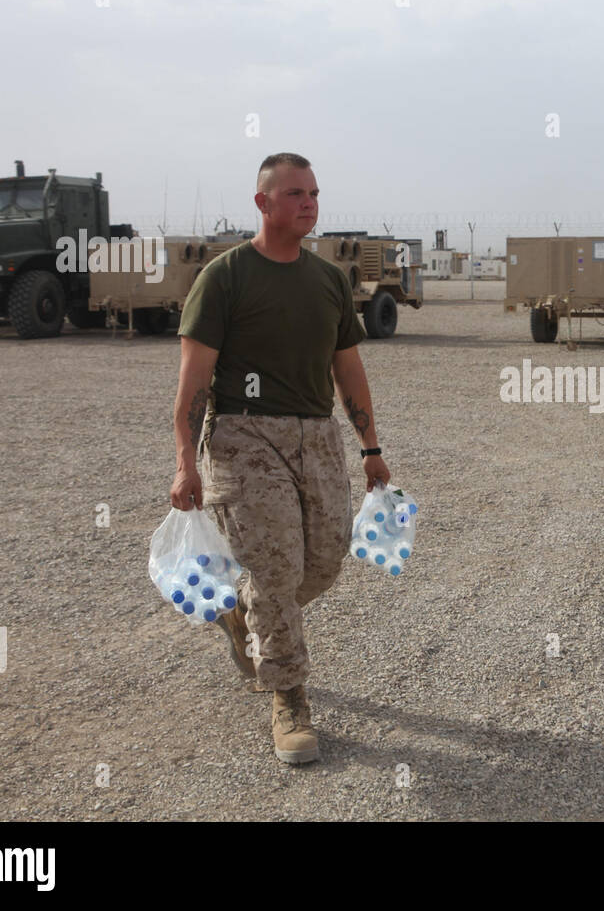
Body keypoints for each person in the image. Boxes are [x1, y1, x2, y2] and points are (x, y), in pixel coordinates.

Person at [168, 152, 391, 764]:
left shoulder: (328, 281)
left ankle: (244, 615)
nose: (309, 203)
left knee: (322, 563)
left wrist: (371, 448)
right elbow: (194, 381)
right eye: (294, 193)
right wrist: (186, 461)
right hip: (244, 436)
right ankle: (288, 696)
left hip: (316, 434)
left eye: (314, 193)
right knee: (274, 568)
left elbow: (348, 366)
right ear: (263, 202)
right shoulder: (226, 277)